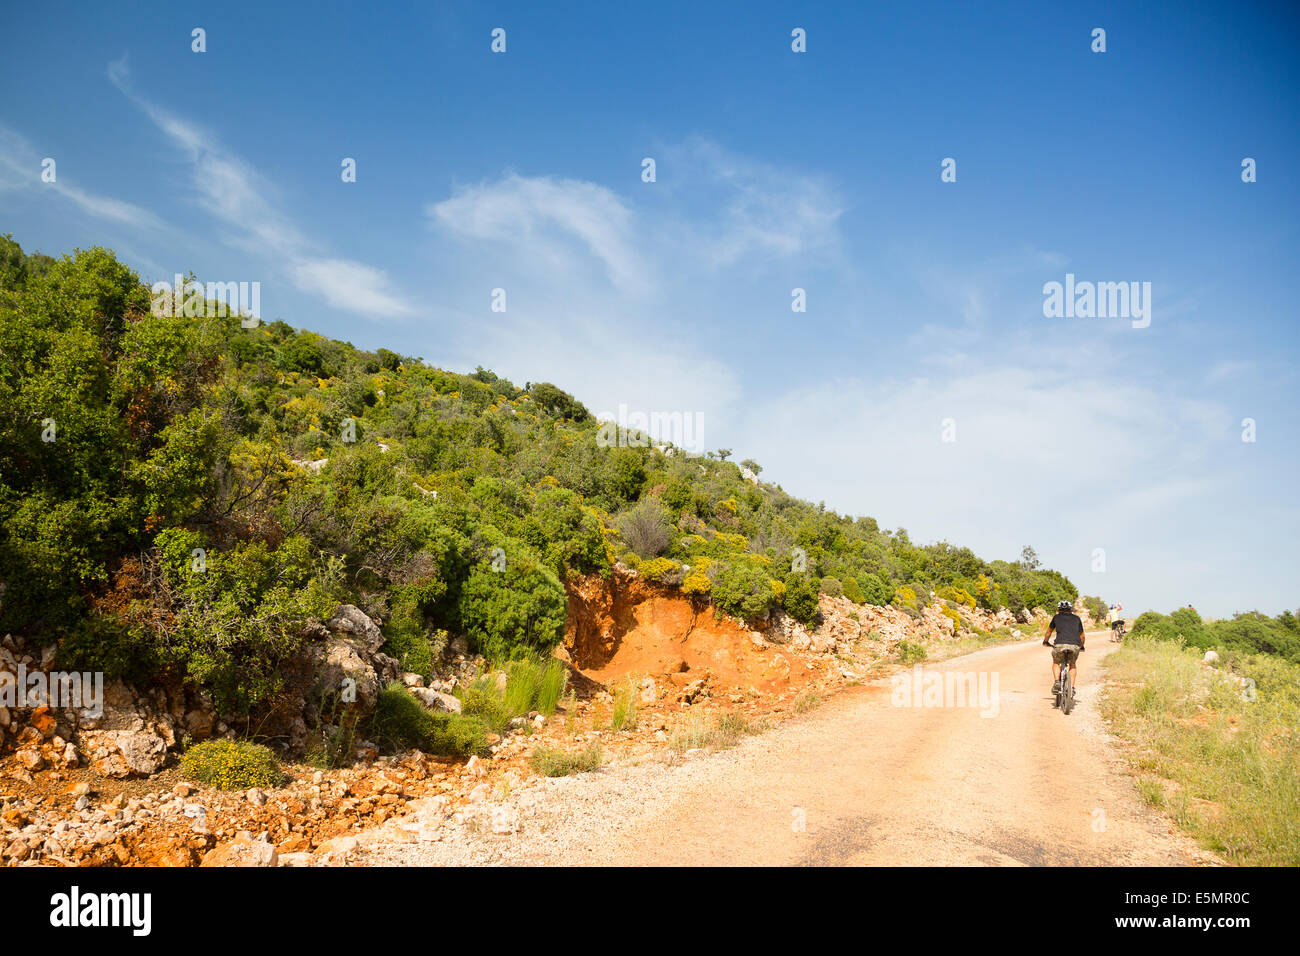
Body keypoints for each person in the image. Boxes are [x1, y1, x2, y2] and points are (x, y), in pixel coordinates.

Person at [1044, 600, 1085, 698]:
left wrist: (1045, 641)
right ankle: (1072, 688)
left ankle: (1057, 682)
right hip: (1074, 646)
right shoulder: (1077, 619)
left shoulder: (1056, 618)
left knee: (1056, 662)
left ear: (1059, 609)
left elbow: (1049, 632)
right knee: (1072, 664)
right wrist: (1082, 646)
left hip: (1059, 645)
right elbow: (1082, 636)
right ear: (1070, 609)